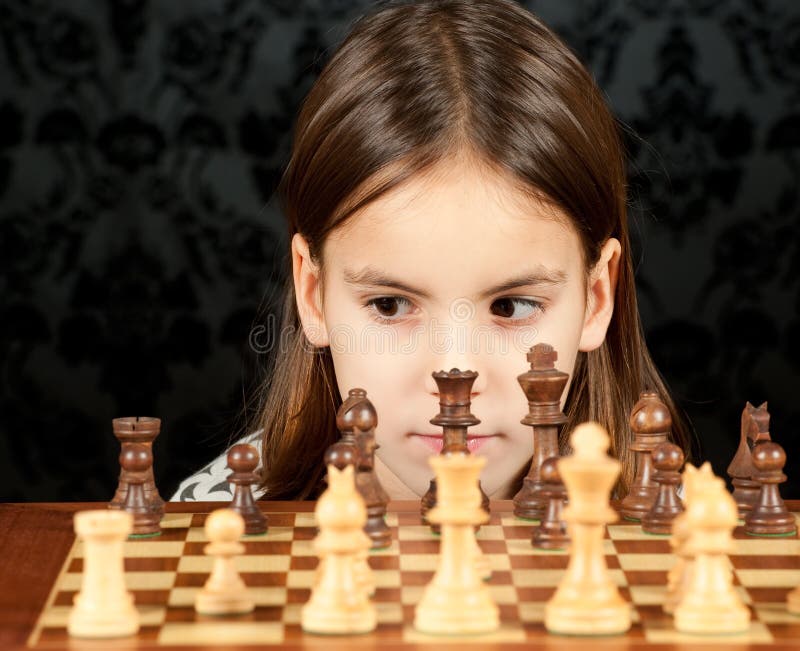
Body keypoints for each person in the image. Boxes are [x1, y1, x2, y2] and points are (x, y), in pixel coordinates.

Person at [172, 0, 693, 503]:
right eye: (390, 305)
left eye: (511, 306)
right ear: (313, 294)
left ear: (597, 297)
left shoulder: (684, 528)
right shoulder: (213, 516)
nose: (455, 375)